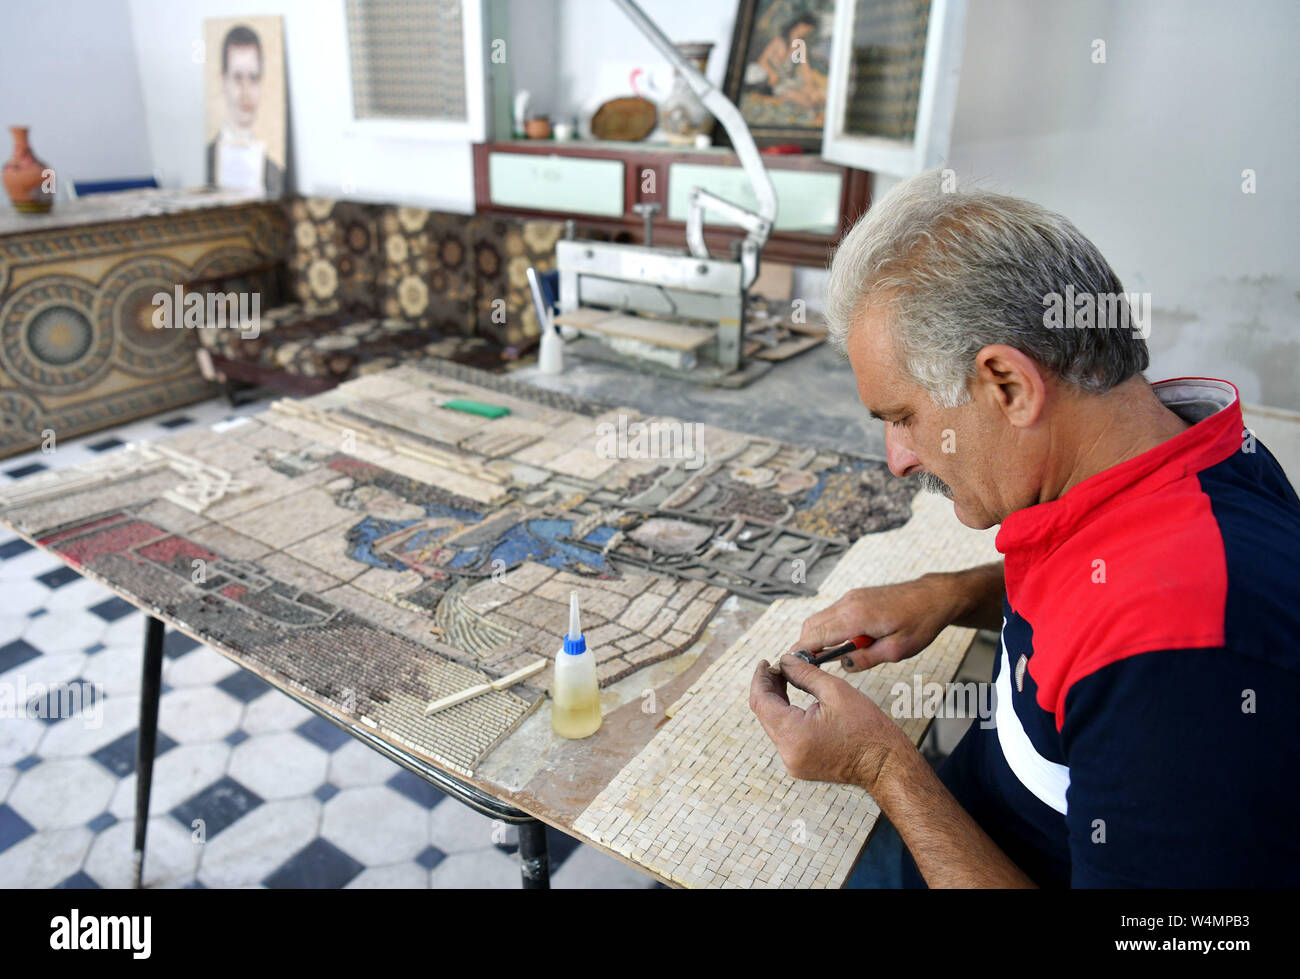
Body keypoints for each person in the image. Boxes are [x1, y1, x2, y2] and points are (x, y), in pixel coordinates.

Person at [749, 170, 1300, 887]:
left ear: (1007, 385)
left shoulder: (1181, 652)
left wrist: (880, 765)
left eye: (902, 417)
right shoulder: (1177, 453)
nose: (898, 460)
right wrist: (948, 594)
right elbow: (1093, 589)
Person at [205, 24, 284, 196]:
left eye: (253, 78)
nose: (246, 92)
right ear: (223, 81)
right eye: (237, 77)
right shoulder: (204, 164)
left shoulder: (275, 173)